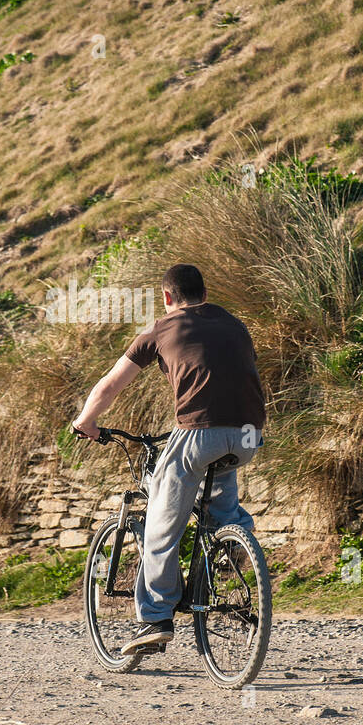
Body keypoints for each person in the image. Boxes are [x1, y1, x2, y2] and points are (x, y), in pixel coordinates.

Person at [72, 263, 266, 655]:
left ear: (166, 297)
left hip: (198, 432)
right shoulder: (235, 324)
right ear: (204, 292)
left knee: (162, 519)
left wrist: (86, 421)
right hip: (248, 435)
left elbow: (111, 384)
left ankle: (155, 618)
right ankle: (233, 548)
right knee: (220, 500)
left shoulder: (160, 328)